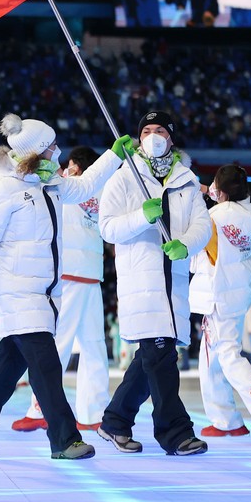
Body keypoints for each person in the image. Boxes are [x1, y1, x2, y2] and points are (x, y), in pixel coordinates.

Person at [0, 115, 129, 460]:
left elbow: (86, 186)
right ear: (32, 154)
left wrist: (114, 155)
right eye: (50, 148)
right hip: (16, 291)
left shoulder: (50, 183)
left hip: (45, 292)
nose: (57, 152)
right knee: (46, 367)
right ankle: (64, 439)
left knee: (8, 366)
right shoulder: (2, 189)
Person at [97, 110, 211, 456]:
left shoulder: (186, 180)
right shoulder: (124, 177)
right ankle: (176, 433)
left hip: (172, 283)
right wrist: (141, 217)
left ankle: (115, 422)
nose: (152, 135)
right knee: (160, 359)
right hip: (141, 282)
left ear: (171, 137)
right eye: (146, 130)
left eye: (159, 129)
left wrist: (185, 245)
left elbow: (202, 225)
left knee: (151, 360)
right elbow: (108, 227)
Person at [11, 145, 112, 432]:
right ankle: (93, 413)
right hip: (90, 274)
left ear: (76, 167)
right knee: (93, 348)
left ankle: (40, 409)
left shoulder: (67, 185)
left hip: (68, 274)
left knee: (59, 344)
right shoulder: (103, 189)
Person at [190, 164, 251, 439]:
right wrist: (207, 190)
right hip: (239, 289)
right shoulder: (248, 213)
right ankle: (226, 421)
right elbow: (225, 202)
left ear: (221, 190)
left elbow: (196, 242)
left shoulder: (213, 216)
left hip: (217, 291)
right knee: (211, 359)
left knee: (227, 353)